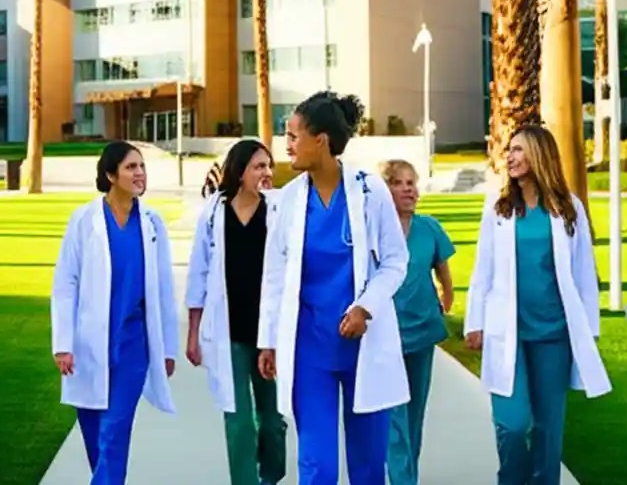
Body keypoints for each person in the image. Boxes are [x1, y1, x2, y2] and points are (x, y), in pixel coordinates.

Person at [256, 91, 410, 485]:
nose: (286, 145)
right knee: (317, 467)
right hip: (310, 350)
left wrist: (365, 307)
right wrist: (268, 341)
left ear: (320, 140)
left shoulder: (369, 190)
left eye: (293, 136)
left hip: (363, 348)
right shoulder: (287, 202)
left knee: (368, 467)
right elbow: (274, 278)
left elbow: (395, 260)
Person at [464, 124, 611, 485]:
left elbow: (583, 275)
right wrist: (474, 321)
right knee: (512, 426)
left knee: (548, 429)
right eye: (509, 150)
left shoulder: (567, 208)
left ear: (539, 156)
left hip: (554, 335)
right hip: (506, 332)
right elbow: (483, 268)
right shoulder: (498, 209)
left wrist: (588, 330)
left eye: (519, 150)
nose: (510, 156)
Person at [50, 140, 179, 485]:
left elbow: (163, 289)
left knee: (114, 434)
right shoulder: (84, 221)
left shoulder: (152, 223)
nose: (139, 173)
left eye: (141, 166)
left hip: (133, 346)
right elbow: (66, 283)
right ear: (110, 175)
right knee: (97, 439)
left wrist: (166, 348)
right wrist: (63, 343)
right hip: (88, 346)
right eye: (130, 167)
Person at [185, 139, 287, 485]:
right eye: (259, 166)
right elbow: (198, 272)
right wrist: (193, 334)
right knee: (239, 420)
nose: (267, 172)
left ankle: (271, 475)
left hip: (268, 335)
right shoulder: (214, 211)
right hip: (228, 332)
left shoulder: (279, 208)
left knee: (272, 420)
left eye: (269, 165)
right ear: (240, 171)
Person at [381, 159, 456, 485]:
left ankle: (407, 474)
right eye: (399, 183)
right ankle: (402, 479)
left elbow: (443, 270)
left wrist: (447, 295)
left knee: (414, 412)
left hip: (423, 332)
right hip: (386, 335)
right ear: (386, 191)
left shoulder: (430, 228)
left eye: (412, 183)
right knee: (394, 412)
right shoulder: (377, 230)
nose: (409, 189)